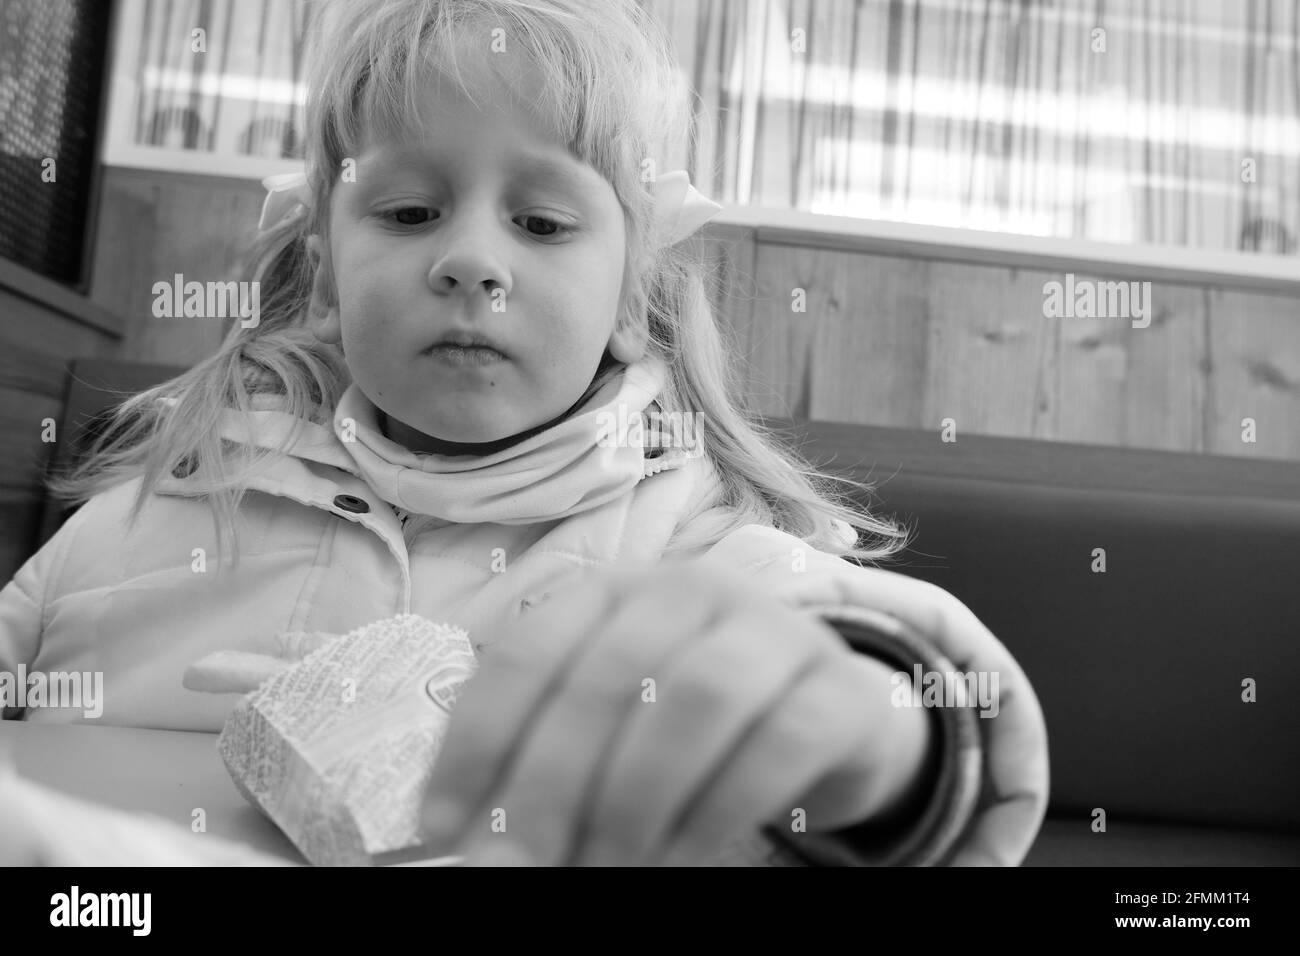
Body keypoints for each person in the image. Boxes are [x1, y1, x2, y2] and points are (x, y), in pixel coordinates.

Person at [0, 0, 1047, 866]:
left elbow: (909, 693)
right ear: (324, 271)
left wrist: (866, 738)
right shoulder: (150, 508)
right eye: (408, 212)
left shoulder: (700, 552)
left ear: (630, 297)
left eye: (542, 224)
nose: (470, 261)